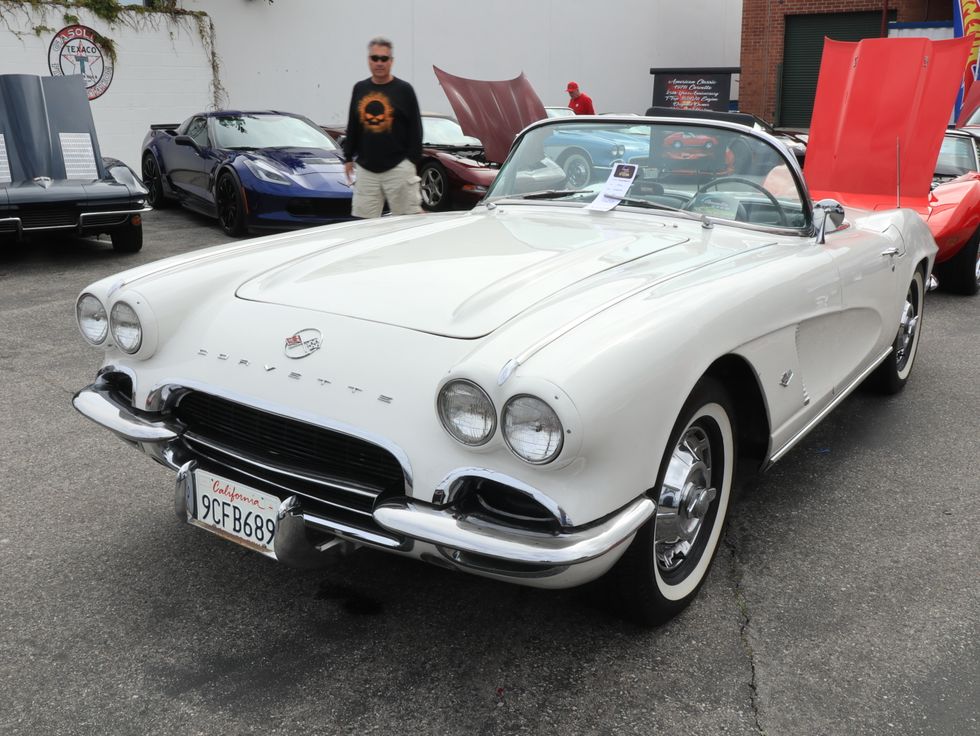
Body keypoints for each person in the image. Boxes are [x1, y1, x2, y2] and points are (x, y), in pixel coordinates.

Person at [342, 37, 423, 218]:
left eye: (384, 59)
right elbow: (353, 124)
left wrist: (411, 161)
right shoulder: (360, 88)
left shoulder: (404, 90)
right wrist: (348, 156)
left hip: (399, 168)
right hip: (366, 170)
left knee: (407, 224)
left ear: (391, 61)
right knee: (363, 226)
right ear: (369, 60)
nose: (379, 63)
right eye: (375, 58)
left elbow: (415, 128)